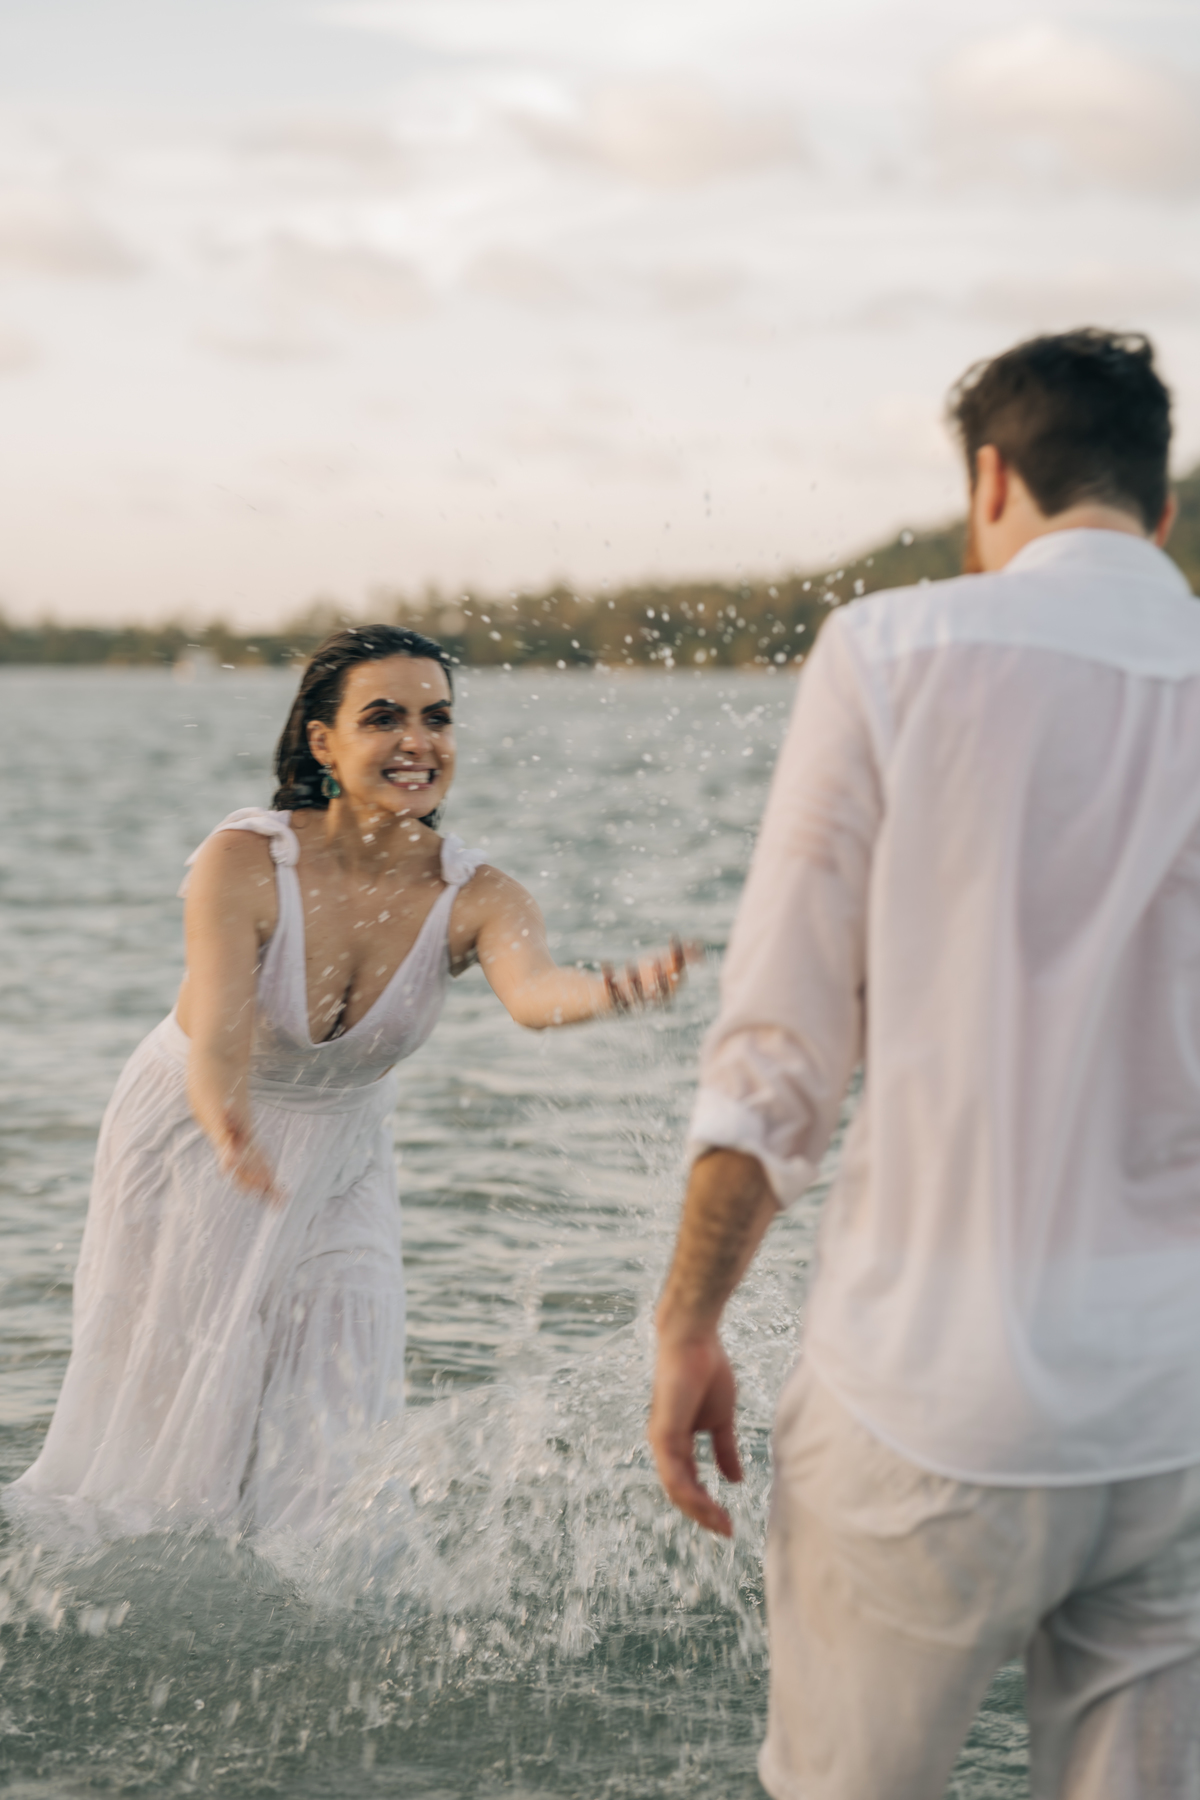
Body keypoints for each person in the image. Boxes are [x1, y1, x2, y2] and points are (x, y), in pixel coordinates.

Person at [648, 329, 1200, 1797]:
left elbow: (779, 1054)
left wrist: (690, 1323)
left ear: (992, 479)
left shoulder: (896, 651)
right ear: (1158, 506)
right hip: (1176, 1416)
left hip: (928, 1401)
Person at [8, 624, 686, 1542]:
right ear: (323, 741)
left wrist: (610, 991)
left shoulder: (478, 893)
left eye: (437, 718)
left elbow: (532, 993)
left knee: (342, 1375)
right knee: (176, 1408)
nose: (419, 742)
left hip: (346, 1153)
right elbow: (218, 1036)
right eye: (385, 718)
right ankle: (122, 1572)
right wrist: (225, 1122)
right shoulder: (244, 860)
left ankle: (313, 1584)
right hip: (196, 1133)